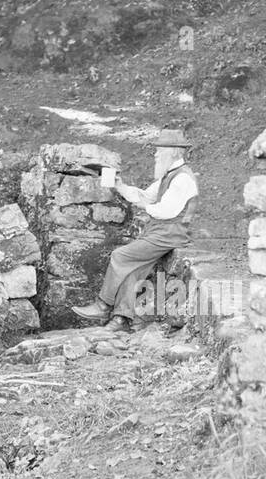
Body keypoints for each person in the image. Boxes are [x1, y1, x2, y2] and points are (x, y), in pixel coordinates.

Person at [71, 128, 198, 332]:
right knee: (133, 270)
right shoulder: (170, 175)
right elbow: (146, 196)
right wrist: (120, 186)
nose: (155, 154)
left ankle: (103, 305)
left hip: (171, 234)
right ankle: (121, 319)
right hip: (162, 232)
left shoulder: (183, 178)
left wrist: (144, 207)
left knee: (120, 256)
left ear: (173, 152)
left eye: (159, 150)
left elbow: (165, 210)